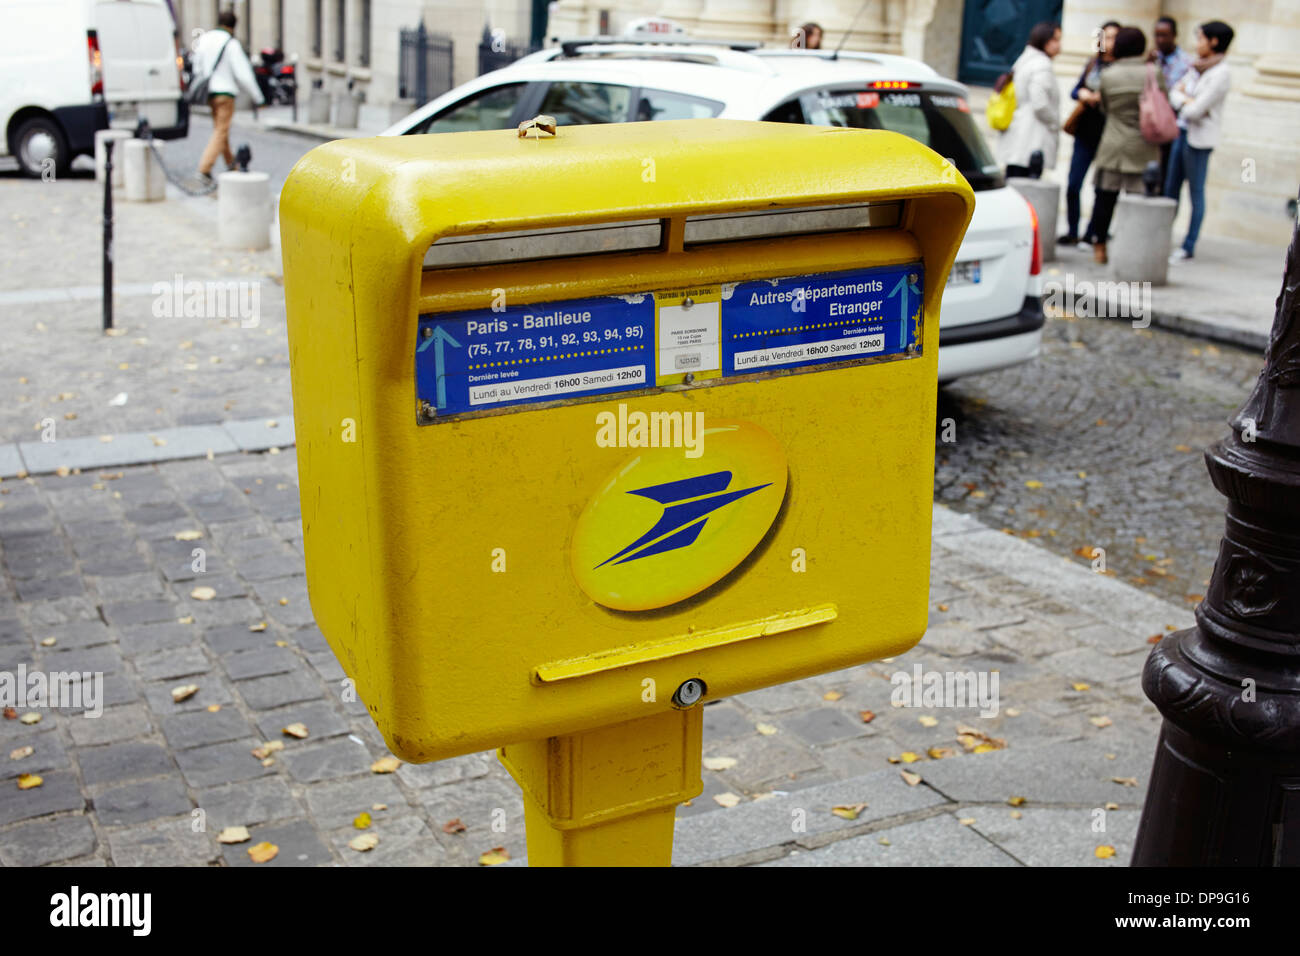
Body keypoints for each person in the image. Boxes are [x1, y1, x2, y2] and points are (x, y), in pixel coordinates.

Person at [1088, 26, 1166, 265]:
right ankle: (1132, 249)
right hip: (1144, 145)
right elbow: (1165, 102)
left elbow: (1105, 108)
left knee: (1104, 199)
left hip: (1113, 143)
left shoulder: (1109, 74)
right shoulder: (1154, 73)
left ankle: (1099, 246)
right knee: (1139, 201)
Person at [1165, 20, 1233, 263]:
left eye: (1201, 38)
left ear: (1214, 42)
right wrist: (1186, 101)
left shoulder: (1221, 73)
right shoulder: (1196, 67)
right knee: (1170, 189)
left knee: (1196, 192)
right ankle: (1161, 238)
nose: (1197, 44)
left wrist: (1184, 101)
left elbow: (1196, 109)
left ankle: (1188, 245)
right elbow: (1174, 91)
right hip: (1182, 132)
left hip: (1199, 139)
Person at [1060, 21, 1119, 245]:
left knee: (1101, 187)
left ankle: (1092, 233)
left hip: (1107, 133)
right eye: (1106, 36)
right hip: (1085, 130)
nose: (1109, 41)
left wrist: (1101, 98)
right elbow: (1074, 90)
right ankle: (1072, 230)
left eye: (1114, 37)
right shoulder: (1092, 63)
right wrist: (1083, 94)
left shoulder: (1120, 67)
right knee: (1074, 183)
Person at [193, 10, 263, 186]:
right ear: (233, 26)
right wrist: (258, 97)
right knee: (221, 131)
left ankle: (231, 164)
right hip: (225, 93)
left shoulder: (205, 39)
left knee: (220, 130)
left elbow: (197, 67)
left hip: (210, 92)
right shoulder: (230, 43)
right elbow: (243, 73)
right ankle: (204, 169)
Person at [998, 22, 1062, 179]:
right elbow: (1040, 103)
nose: (1060, 45)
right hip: (1032, 138)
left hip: (1019, 133)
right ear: (1046, 41)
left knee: (1014, 179)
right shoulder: (1041, 65)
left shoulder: (1024, 59)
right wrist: (1055, 122)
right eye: (1057, 40)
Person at [1149, 16, 1193, 184]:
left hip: (1172, 123)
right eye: (1157, 35)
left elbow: (1183, 94)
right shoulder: (1152, 59)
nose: (1160, 40)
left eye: (1164, 35)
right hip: (1151, 121)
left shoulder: (1186, 63)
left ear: (1174, 35)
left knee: (1168, 173)